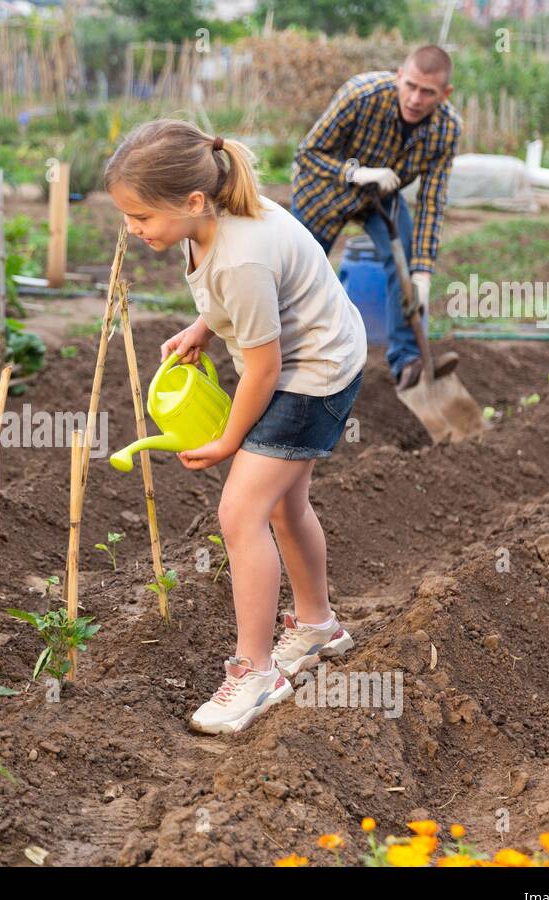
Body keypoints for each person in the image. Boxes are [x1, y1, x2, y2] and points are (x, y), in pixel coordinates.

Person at [105, 119, 365, 735]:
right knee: (282, 504)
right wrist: (203, 327)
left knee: (239, 514)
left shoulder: (240, 253)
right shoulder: (211, 223)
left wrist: (227, 441)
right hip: (312, 358)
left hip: (312, 374)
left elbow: (266, 366)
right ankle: (317, 627)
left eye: (141, 217)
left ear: (193, 201)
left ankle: (254, 673)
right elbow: (249, 307)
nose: (133, 229)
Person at [291, 45, 461, 390]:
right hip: (326, 190)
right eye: (410, 85)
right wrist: (356, 173)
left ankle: (409, 363)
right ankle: (285, 353)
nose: (415, 98)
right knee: (295, 273)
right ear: (399, 76)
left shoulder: (446, 129)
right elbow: (307, 153)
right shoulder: (362, 94)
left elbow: (432, 201)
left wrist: (423, 273)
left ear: (445, 94)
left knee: (407, 264)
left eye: (427, 92)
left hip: (382, 198)